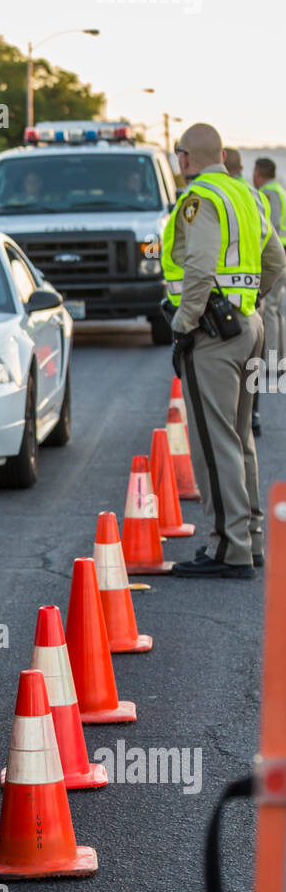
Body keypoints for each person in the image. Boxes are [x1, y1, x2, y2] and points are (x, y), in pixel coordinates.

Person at [162, 123, 286, 578]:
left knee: (215, 444)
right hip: (248, 327)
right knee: (240, 439)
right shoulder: (246, 195)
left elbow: (198, 267)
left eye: (178, 155)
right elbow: (276, 261)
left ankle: (228, 549)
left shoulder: (200, 199)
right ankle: (249, 540)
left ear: (186, 158)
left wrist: (183, 323)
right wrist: (247, 302)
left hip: (212, 336)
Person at [253, 157, 286, 371]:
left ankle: (273, 364)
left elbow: (270, 227)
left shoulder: (270, 193)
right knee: (276, 309)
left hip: (278, 255)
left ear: (259, 173)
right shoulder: (280, 190)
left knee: (270, 309)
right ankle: (279, 360)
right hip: (283, 253)